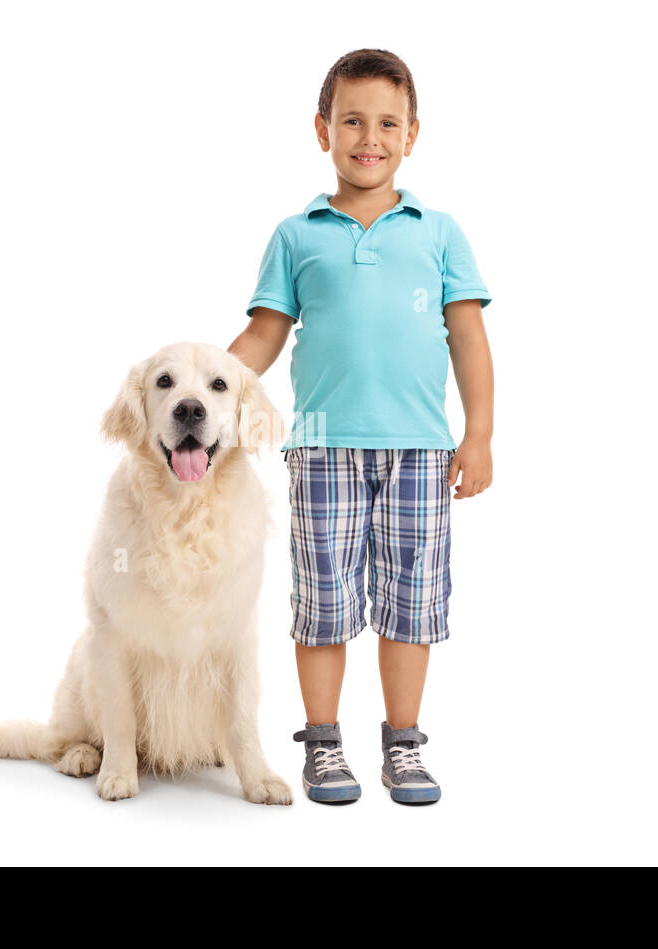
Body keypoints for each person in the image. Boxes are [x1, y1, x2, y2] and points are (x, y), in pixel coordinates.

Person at [227, 48, 494, 806]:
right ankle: (323, 744)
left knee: (411, 600)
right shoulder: (296, 234)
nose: (367, 137)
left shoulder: (437, 232)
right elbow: (264, 336)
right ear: (322, 130)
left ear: (412, 135)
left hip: (420, 450)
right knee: (323, 601)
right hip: (321, 444)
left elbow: (469, 339)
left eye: (386, 123)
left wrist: (478, 436)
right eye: (351, 120)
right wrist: (209, 382)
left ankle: (403, 746)